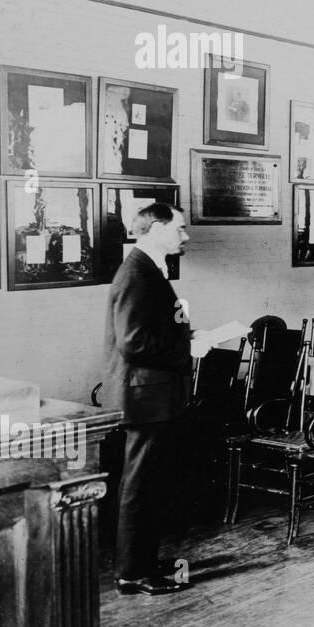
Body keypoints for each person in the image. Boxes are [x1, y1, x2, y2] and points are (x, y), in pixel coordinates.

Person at [102, 203, 203, 596]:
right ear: (157, 228)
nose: (185, 236)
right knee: (140, 486)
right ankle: (132, 572)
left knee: (149, 483)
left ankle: (141, 561)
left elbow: (149, 333)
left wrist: (188, 340)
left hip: (151, 394)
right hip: (145, 397)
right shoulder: (137, 273)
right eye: (179, 229)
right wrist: (186, 351)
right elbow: (134, 341)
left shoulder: (147, 268)